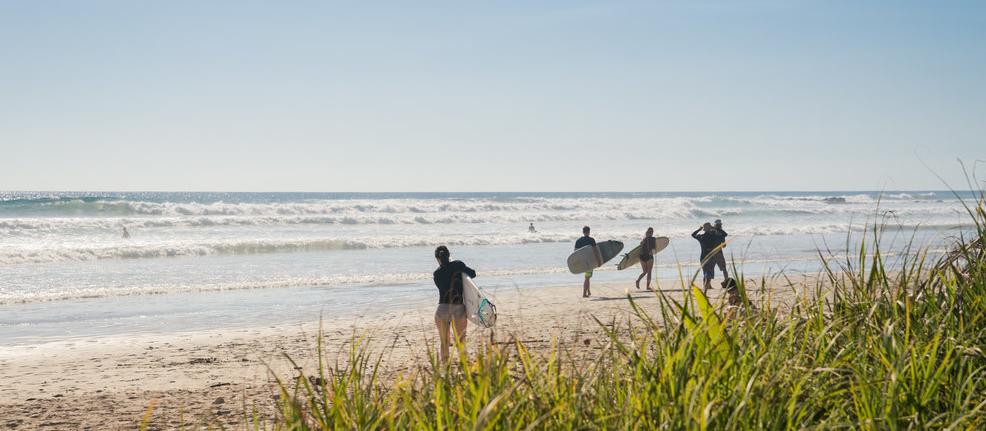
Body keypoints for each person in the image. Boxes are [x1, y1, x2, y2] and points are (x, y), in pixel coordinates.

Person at [432, 245, 476, 363]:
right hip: (458, 308)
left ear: (437, 258)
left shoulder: (436, 274)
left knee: (444, 342)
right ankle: (464, 365)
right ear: (449, 255)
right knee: (460, 341)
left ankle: (445, 367)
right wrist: (459, 267)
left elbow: (443, 286)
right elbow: (473, 274)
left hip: (442, 310)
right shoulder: (458, 265)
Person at [692, 222, 724, 291]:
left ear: (704, 229)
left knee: (705, 272)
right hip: (711, 257)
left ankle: (707, 286)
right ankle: (705, 289)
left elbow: (693, 235)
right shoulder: (713, 236)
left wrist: (699, 229)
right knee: (709, 274)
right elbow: (724, 234)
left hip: (703, 257)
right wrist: (715, 228)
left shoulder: (701, 236)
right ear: (710, 228)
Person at [575, 226, 597, 297]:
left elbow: (575, 252)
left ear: (583, 232)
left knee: (588, 276)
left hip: (582, 261)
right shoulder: (591, 240)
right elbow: (595, 251)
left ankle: (588, 291)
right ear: (589, 232)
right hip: (589, 261)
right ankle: (584, 293)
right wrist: (599, 261)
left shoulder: (578, 241)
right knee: (587, 277)